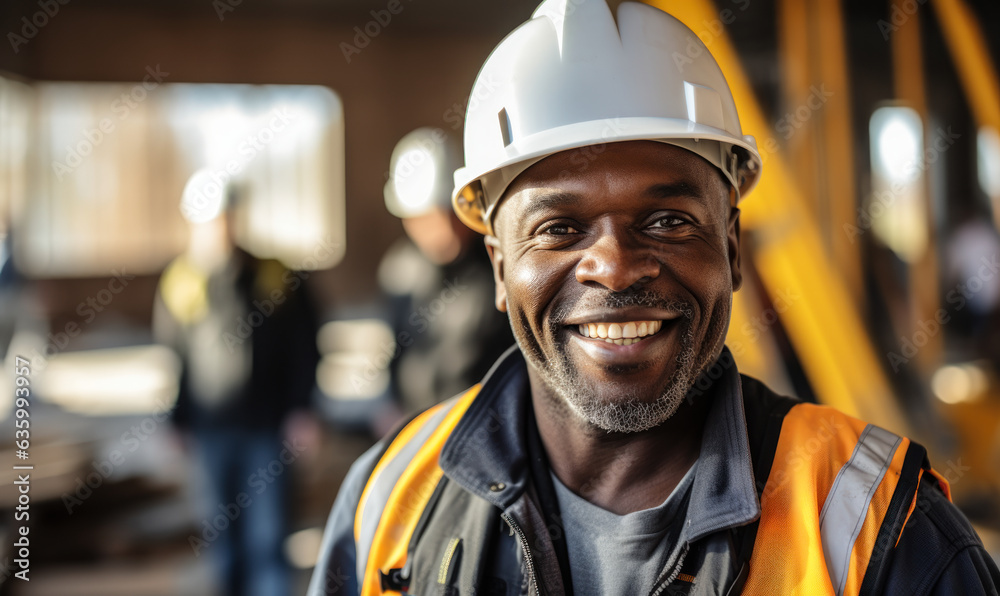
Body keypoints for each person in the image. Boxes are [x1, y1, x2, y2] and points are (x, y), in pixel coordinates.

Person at [309, 1, 1000, 595]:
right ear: (499, 267)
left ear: (731, 246)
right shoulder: (392, 503)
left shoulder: (881, 532)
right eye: (559, 228)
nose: (614, 268)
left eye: (668, 221)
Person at [155, 176, 321, 596]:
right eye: (210, 222)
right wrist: (175, 421)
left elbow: (305, 346)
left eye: (226, 220)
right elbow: (175, 357)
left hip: (267, 428)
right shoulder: (182, 282)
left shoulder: (274, 277)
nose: (220, 230)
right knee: (222, 538)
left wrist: (302, 410)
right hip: (212, 433)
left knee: (268, 537)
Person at [375, 127, 514, 424]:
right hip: (418, 425)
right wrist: (391, 403)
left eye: (449, 213)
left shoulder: (498, 265)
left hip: (484, 425)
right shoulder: (399, 271)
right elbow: (396, 346)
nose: (443, 230)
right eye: (426, 219)